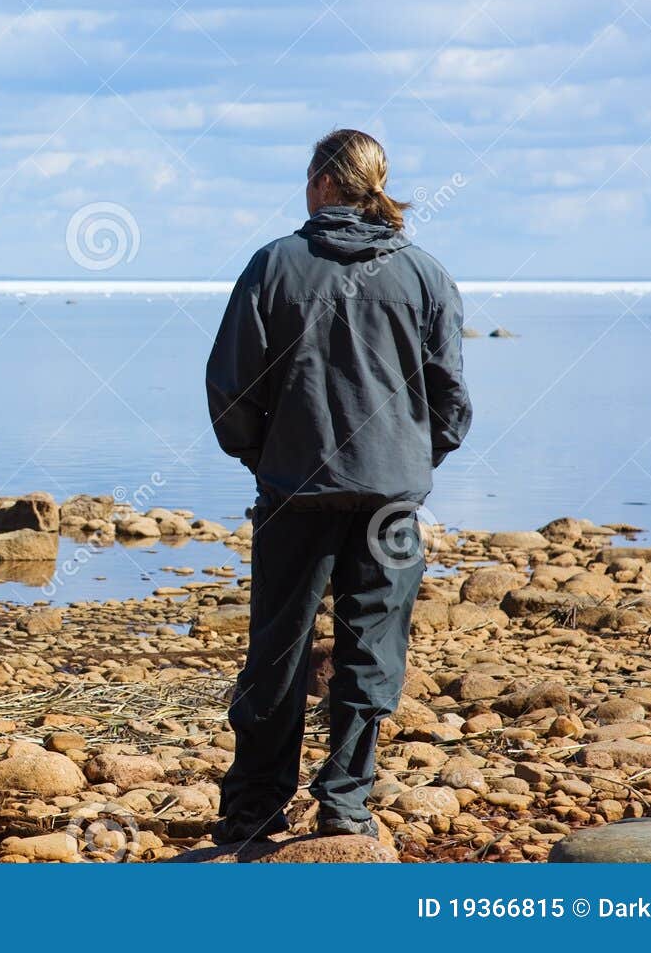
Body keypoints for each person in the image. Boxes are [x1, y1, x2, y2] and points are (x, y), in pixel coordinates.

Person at [204, 128, 472, 841]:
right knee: (371, 652)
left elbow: (231, 387)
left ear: (323, 183)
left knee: (279, 651)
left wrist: (265, 455)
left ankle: (256, 808)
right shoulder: (424, 274)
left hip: (296, 489)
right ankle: (345, 803)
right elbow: (451, 399)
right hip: (387, 498)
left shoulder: (275, 266)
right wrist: (414, 460)